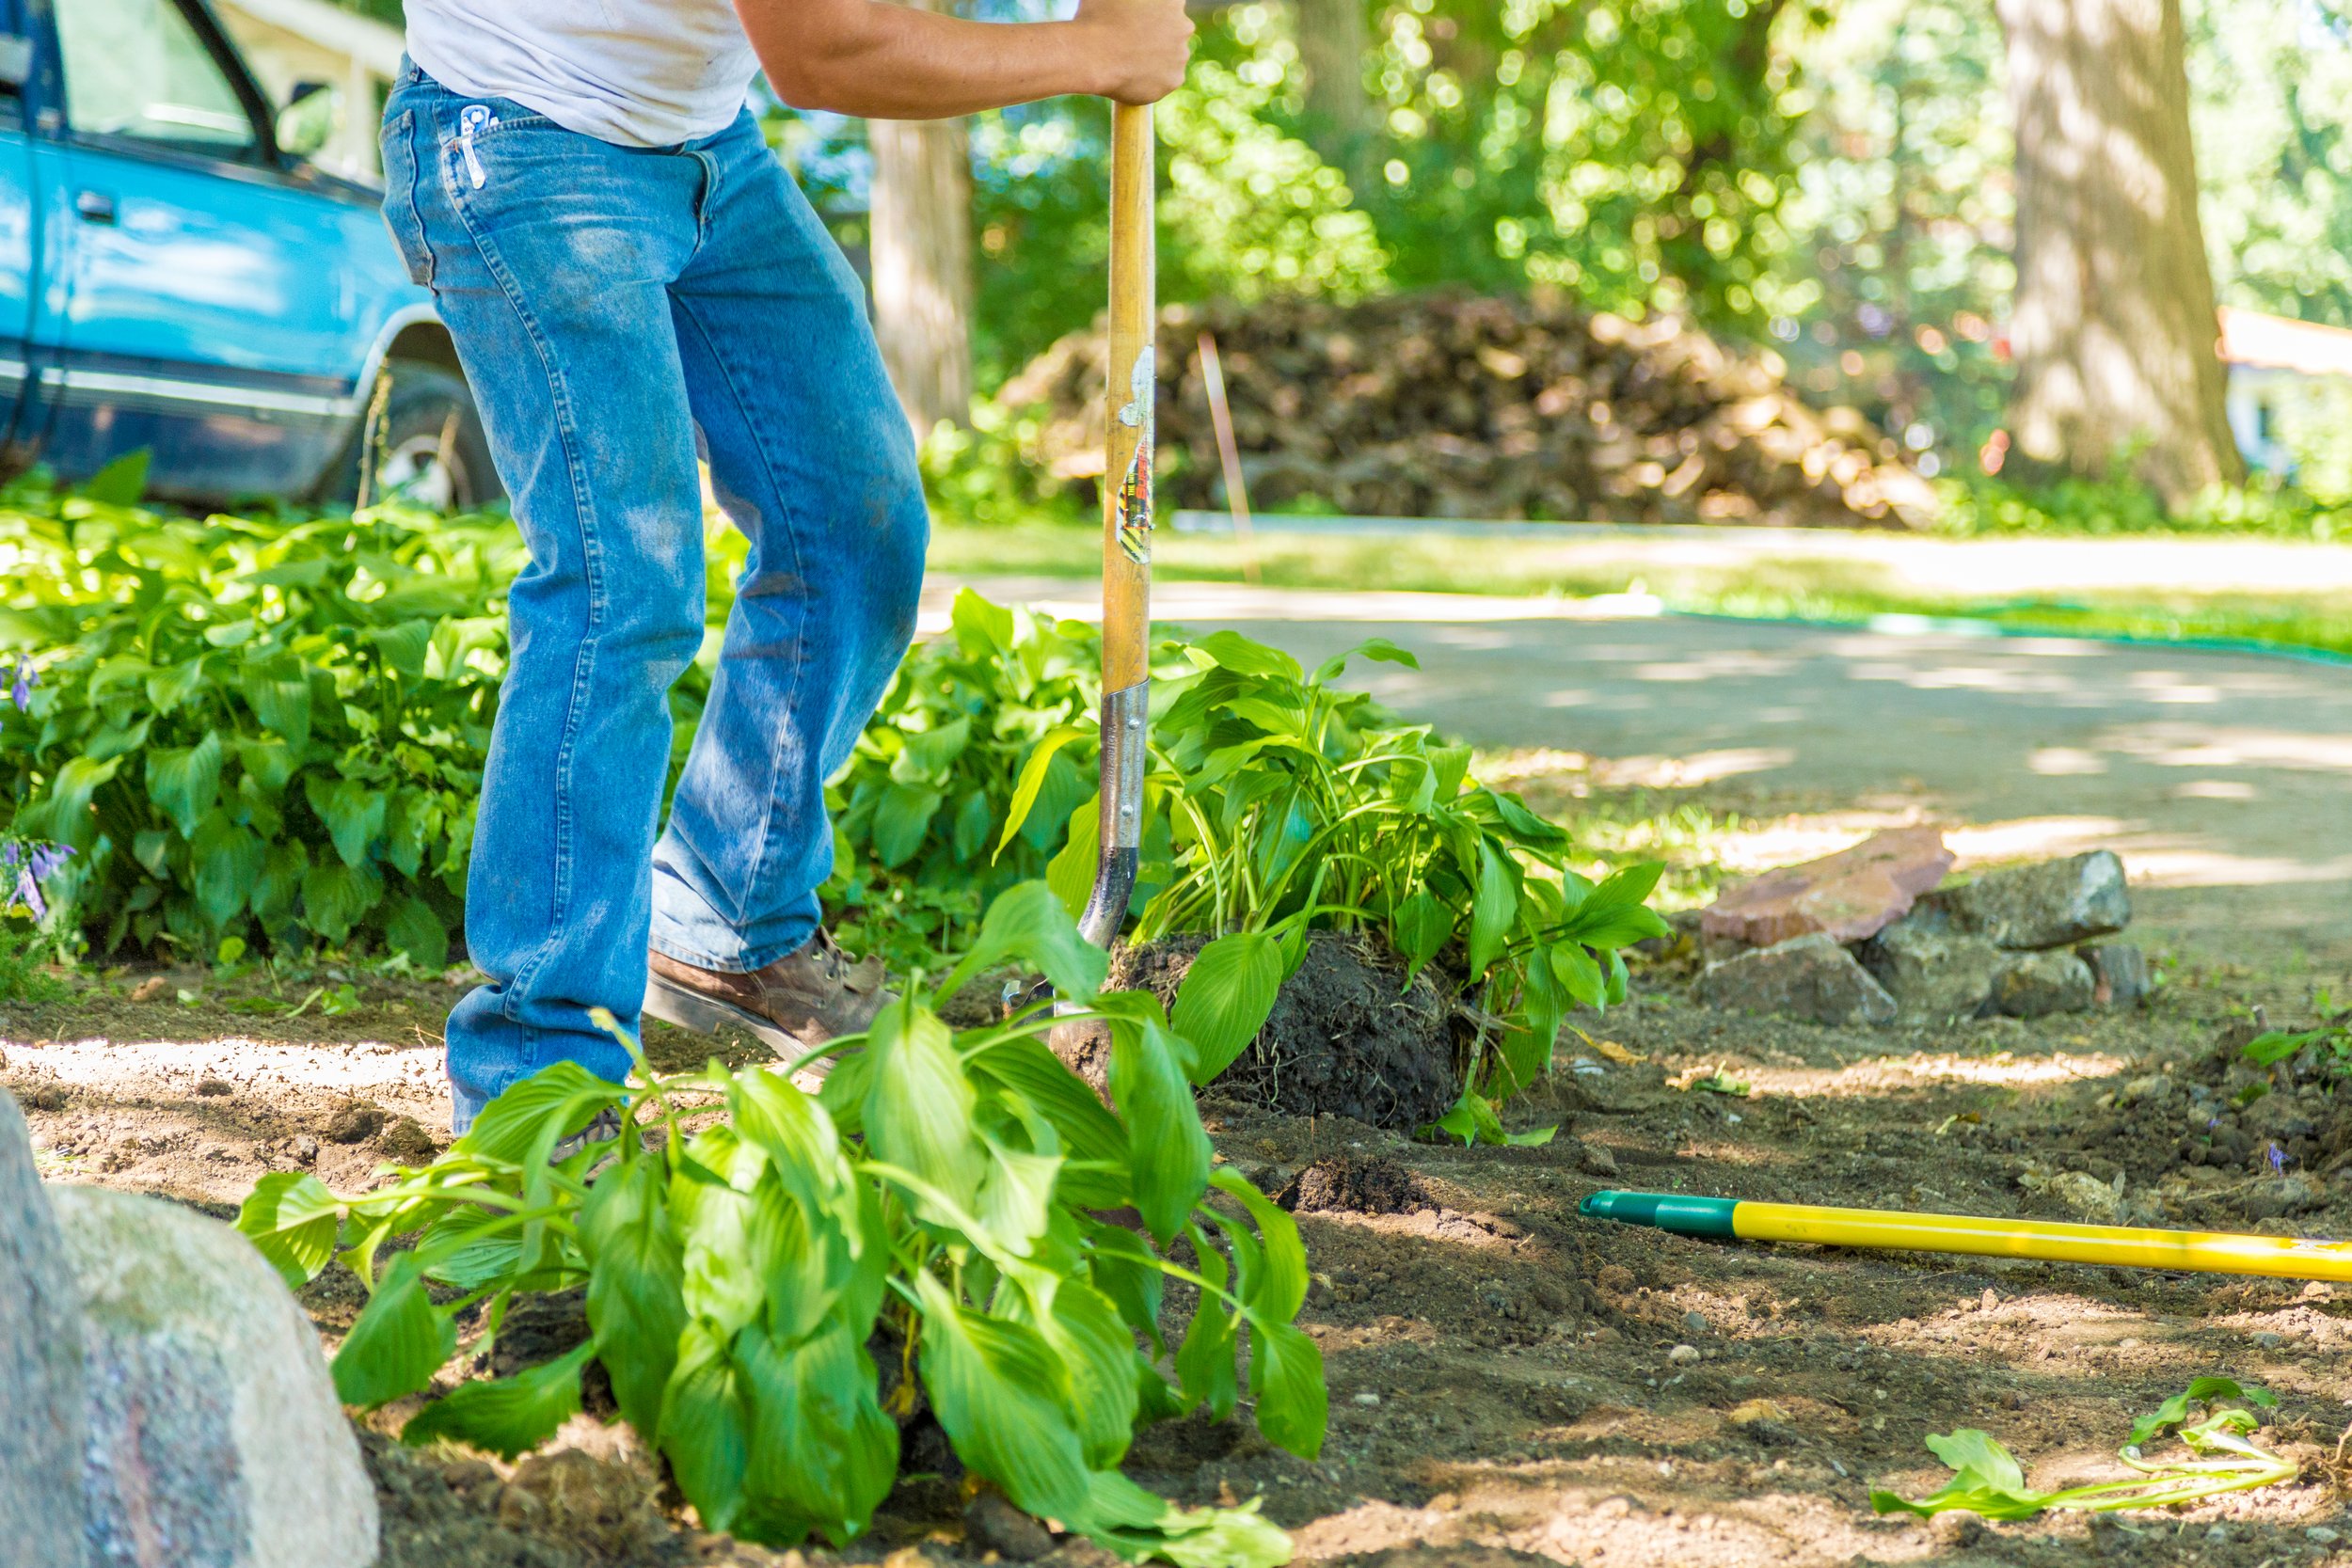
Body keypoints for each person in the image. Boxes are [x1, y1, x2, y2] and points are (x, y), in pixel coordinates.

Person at [383, 0, 1194, 1132]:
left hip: (704, 149)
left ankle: (727, 914)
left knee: (853, 526)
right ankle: (537, 1080)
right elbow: (825, 48)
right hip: (523, 131)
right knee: (624, 585)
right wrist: (1096, 51)